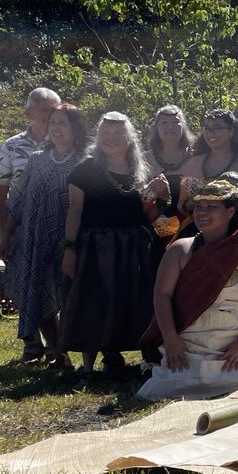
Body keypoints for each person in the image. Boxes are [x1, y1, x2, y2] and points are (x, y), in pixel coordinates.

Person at [137, 180, 238, 400]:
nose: (202, 212)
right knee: (172, 384)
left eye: (211, 207)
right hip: (190, 342)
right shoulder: (180, 249)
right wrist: (171, 337)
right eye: (200, 207)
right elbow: (162, 295)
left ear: (231, 211)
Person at [59, 112, 164, 377]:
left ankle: (146, 360)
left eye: (118, 133)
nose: (112, 138)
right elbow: (74, 211)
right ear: (98, 136)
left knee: (137, 301)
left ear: (129, 138)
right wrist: (69, 248)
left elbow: (151, 213)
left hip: (135, 247)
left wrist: (159, 193)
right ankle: (88, 366)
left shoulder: (142, 170)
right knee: (94, 301)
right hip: (96, 246)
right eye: (106, 133)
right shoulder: (85, 170)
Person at [0, 103, 86, 368]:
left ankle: (84, 353)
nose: (57, 129)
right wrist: (6, 234)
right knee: (38, 293)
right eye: (53, 123)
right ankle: (59, 354)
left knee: (68, 298)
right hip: (34, 239)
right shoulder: (37, 159)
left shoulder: (85, 162)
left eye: (63, 123)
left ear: (75, 128)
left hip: (70, 240)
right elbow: (18, 199)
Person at [0, 88, 59, 239]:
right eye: (43, 110)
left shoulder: (65, 145)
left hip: (57, 226)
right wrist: (4, 230)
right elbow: (0, 189)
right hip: (20, 227)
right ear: (28, 113)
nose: (49, 115)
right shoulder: (11, 146)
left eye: (53, 110)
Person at [182, 109, 238, 206]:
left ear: (231, 131)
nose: (211, 133)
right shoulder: (193, 164)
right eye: (207, 128)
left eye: (217, 128)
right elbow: (182, 203)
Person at [143, 105, 196, 244]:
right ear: (156, 128)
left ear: (183, 126)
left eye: (175, 122)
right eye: (164, 122)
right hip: (154, 228)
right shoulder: (144, 159)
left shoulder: (196, 157)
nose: (170, 127)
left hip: (191, 226)